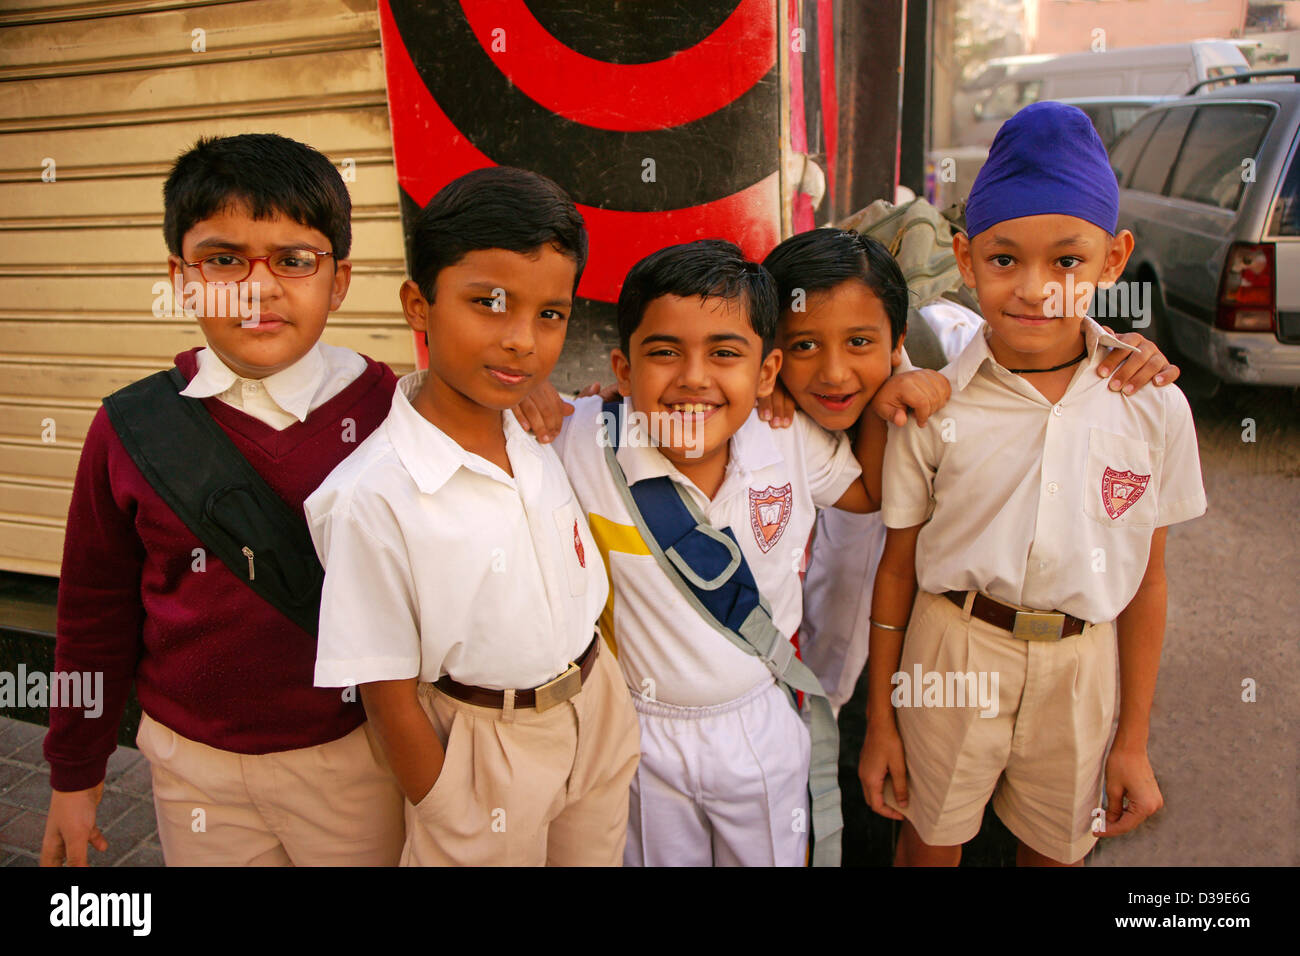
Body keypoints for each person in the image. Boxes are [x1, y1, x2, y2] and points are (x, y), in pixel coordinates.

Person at [41, 133, 405, 866]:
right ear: (181, 276)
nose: (259, 287)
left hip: (358, 758)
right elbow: (93, 612)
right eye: (224, 258)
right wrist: (74, 776)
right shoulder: (131, 429)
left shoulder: (395, 412)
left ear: (338, 281)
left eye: (295, 260)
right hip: (192, 770)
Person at [859, 101, 1207, 866]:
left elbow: (1148, 583)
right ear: (964, 256)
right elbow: (897, 569)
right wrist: (883, 721)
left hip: (1084, 667)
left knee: (1057, 852)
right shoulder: (933, 403)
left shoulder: (1151, 407)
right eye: (1004, 259)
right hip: (951, 651)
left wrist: (1133, 740)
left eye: (1069, 261)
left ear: (1114, 260)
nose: (1036, 289)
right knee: (929, 845)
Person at [304, 166, 641, 867]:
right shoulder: (375, 494)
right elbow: (385, 691)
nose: (523, 339)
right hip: (485, 747)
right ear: (418, 305)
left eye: (549, 313)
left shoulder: (538, 427)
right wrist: (443, 801)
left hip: (596, 706)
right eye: (489, 303)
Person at [545, 239, 899, 866]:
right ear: (623, 373)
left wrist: (902, 380)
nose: (694, 378)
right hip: (639, 733)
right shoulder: (580, 439)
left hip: (762, 719)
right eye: (663, 353)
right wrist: (525, 399)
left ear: (767, 374)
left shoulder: (789, 440)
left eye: (725, 354)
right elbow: (491, 420)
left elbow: (873, 491)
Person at [760, 228, 1183, 710]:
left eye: (858, 342)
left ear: (897, 343)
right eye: (802, 347)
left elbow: (1052, 354)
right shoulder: (762, 417)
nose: (834, 372)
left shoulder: (951, 371)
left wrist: (1117, 350)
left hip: (924, 670)